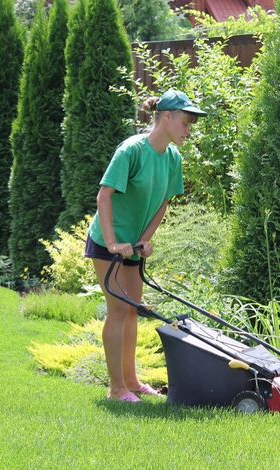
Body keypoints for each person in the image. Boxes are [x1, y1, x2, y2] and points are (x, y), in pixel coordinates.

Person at [85, 89, 207, 403]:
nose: (188, 128)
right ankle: (116, 390)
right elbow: (104, 196)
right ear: (166, 116)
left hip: (132, 247)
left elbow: (163, 202)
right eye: (185, 121)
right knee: (118, 309)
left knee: (132, 311)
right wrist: (113, 242)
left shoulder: (173, 158)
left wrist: (144, 240)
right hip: (107, 242)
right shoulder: (132, 150)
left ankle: (132, 382)